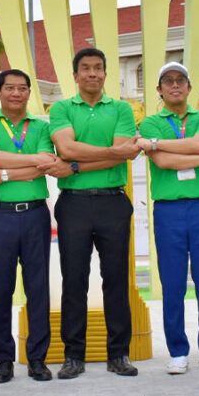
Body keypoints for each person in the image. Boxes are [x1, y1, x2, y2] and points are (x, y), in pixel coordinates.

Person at [48, 47, 140, 379]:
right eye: (85, 68)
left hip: (113, 202)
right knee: (74, 280)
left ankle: (119, 353)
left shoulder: (121, 109)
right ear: (75, 75)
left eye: (98, 68)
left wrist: (73, 166)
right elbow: (67, 148)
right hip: (73, 205)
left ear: (105, 74)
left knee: (115, 280)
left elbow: (120, 157)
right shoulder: (60, 108)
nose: (92, 73)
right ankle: (74, 355)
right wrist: (113, 152)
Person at [136, 62, 199, 375]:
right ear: (160, 90)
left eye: (180, 81)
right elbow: (163, 162)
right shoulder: (151, 122)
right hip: (169, 210)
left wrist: (156, 144)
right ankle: (177, 350)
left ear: (189, 87)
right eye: (168, 81)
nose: (175, 86)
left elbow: (198, 143)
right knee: (172, 282)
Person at [0, 69, 56, 383]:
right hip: (0, 216)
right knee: (1, 289)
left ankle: (37, 359)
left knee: (37, 288)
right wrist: (31, 163)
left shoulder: (40, 126)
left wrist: (8, 171)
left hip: (35, 214)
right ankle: (3, 360)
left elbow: (47, 161)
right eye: (10, 88)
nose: (17, 94)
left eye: (23, 88)